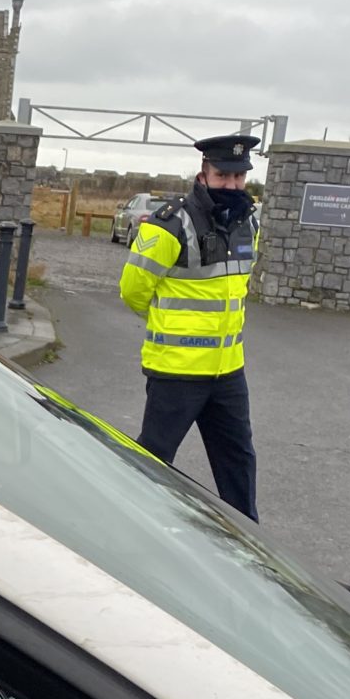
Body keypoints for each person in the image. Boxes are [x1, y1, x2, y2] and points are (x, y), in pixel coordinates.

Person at [118, 133, 263, 520]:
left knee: (239, 464)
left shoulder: (248, 223)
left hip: (228, 371)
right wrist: (170, 322)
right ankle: (126, 531)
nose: (231, 185)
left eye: (238, 177)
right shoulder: (168, 225)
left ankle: (251, 548)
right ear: (203, 174)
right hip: (177, 370)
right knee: (152, 461)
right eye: (222, 176)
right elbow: (133, 291)